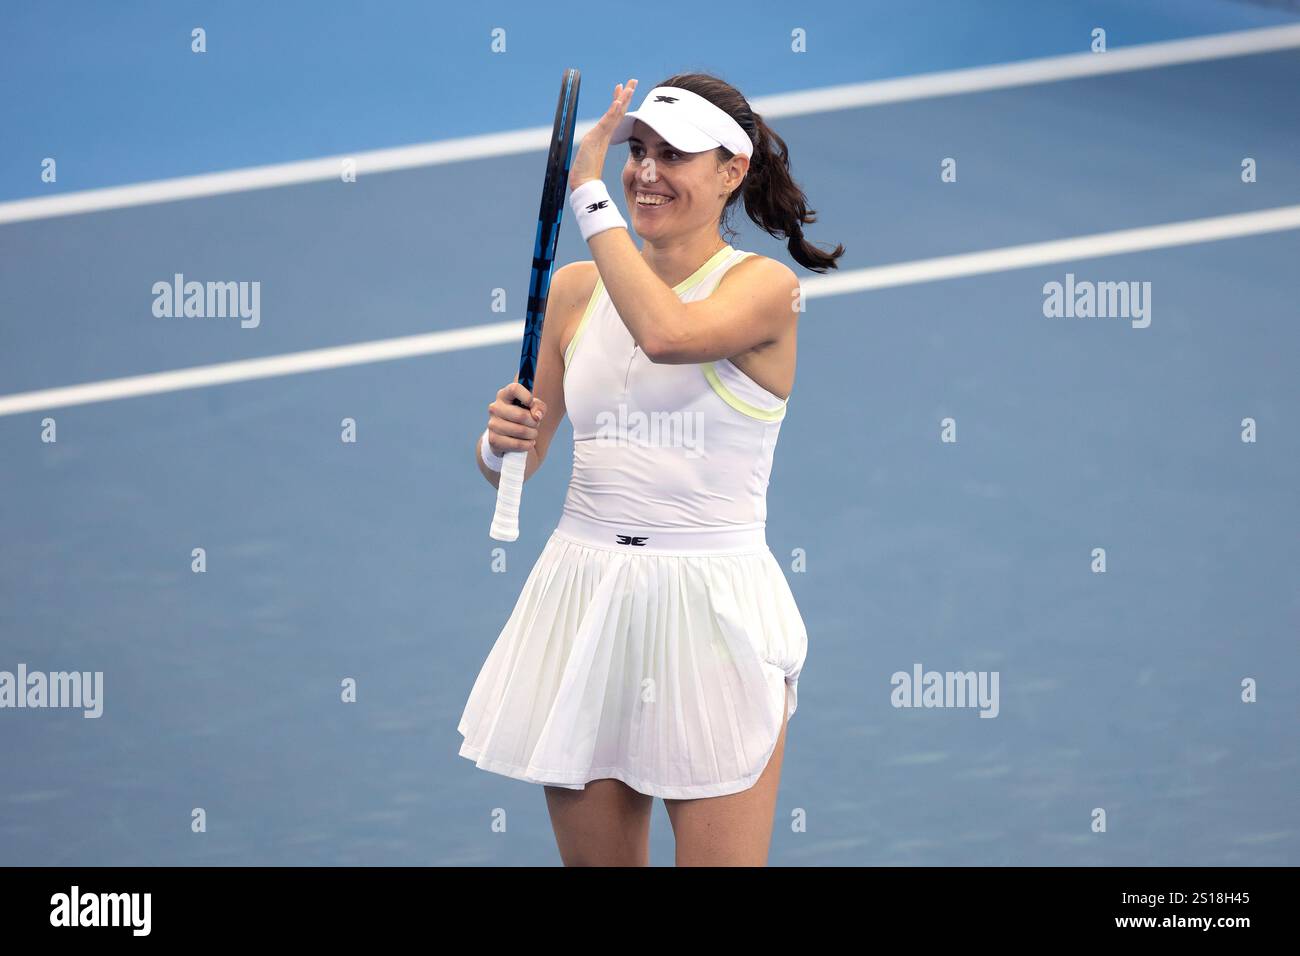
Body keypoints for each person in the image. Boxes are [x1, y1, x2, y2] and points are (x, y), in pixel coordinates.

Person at [459, 73, 845, 866]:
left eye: (675, 155)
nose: (645, 172)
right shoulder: (573, 292)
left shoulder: (765, 289)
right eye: (638, 151)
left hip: (710, 610)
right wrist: (499, 445)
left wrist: (588, 196)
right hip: (583, 597)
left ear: (731, 171)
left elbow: (666, 334)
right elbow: (522, 464)